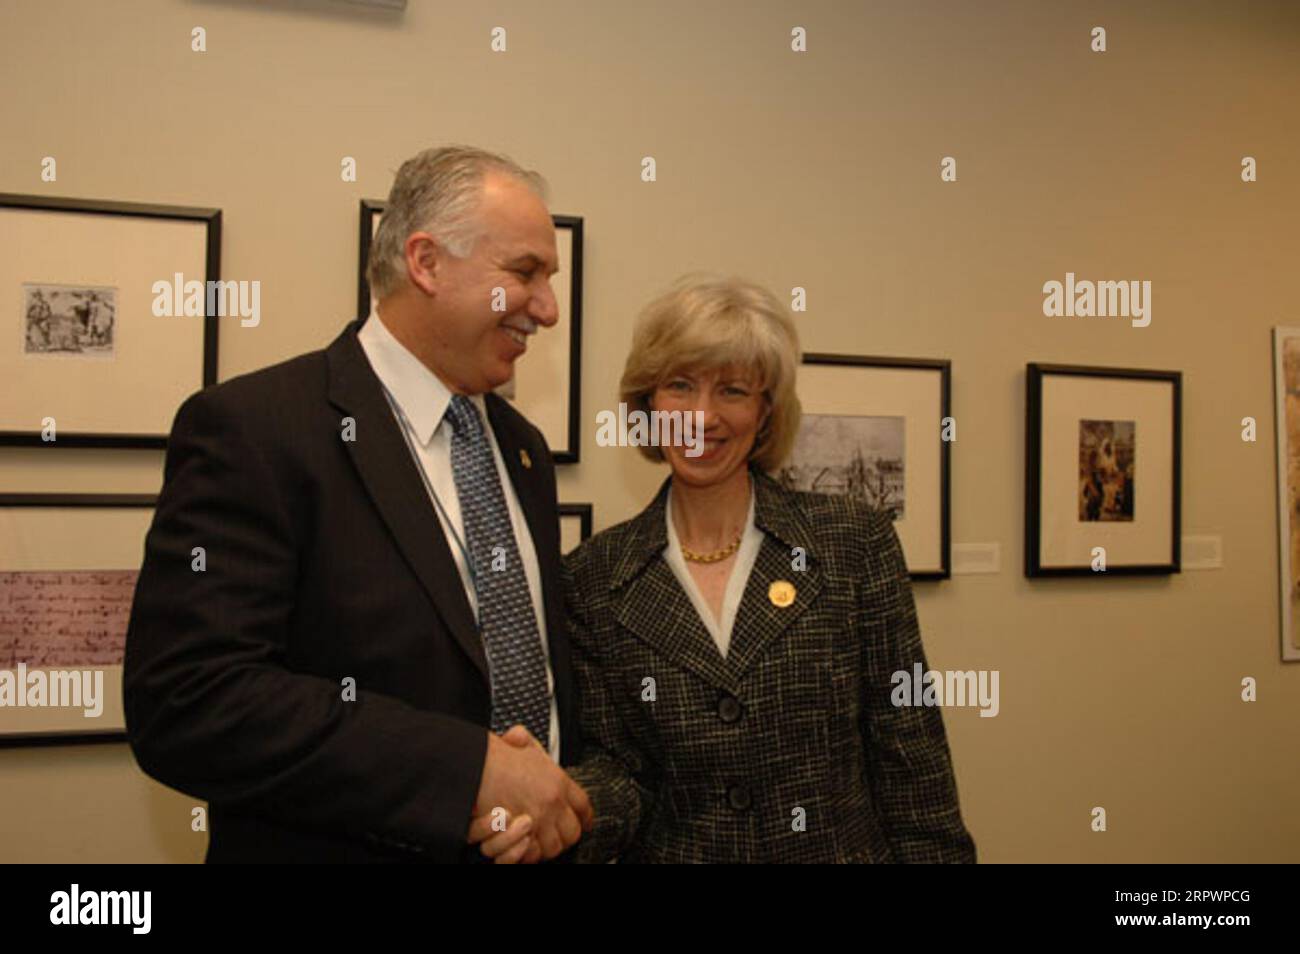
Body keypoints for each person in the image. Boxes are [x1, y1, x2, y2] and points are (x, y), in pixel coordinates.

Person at [124, 145, 591, 863]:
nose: (550, 309)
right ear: (426, 262)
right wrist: (465, 772)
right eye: (525, 273)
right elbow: (192, 701)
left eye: (550, 278)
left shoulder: (521, 449)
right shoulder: (258, 428)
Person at [480, 275, 977, 863]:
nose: (701, 416)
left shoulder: (853, 542)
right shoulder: (593, 577)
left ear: (766, 413)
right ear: (646, 407)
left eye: (734, 391)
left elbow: (910, 752)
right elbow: (623, 772)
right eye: (680, 386)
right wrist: (562, 810)